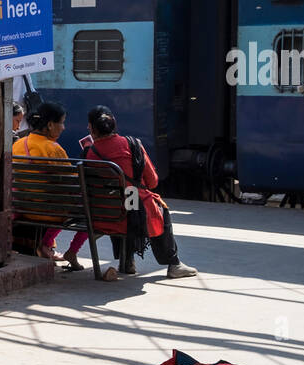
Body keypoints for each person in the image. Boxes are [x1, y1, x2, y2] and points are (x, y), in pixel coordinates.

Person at [83, 104, 197, 280]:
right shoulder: (132, 144)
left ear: (91, 128)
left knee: (125, 199)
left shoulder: (89, 152)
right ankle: (173, 263)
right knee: (152, 205)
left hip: (100, 214)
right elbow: (152, 182)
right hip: (131, 215)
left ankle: (127, 260)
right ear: (113, 123)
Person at [13, 100, 88, 270]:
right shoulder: (53, 149)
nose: (63, 128)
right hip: (49, 214)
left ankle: (45, 246)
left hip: (24, 209)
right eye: (61, 123)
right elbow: (72, 184)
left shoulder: (18, 144)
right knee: (91, 210)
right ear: (49, 125)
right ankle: (68, 250)